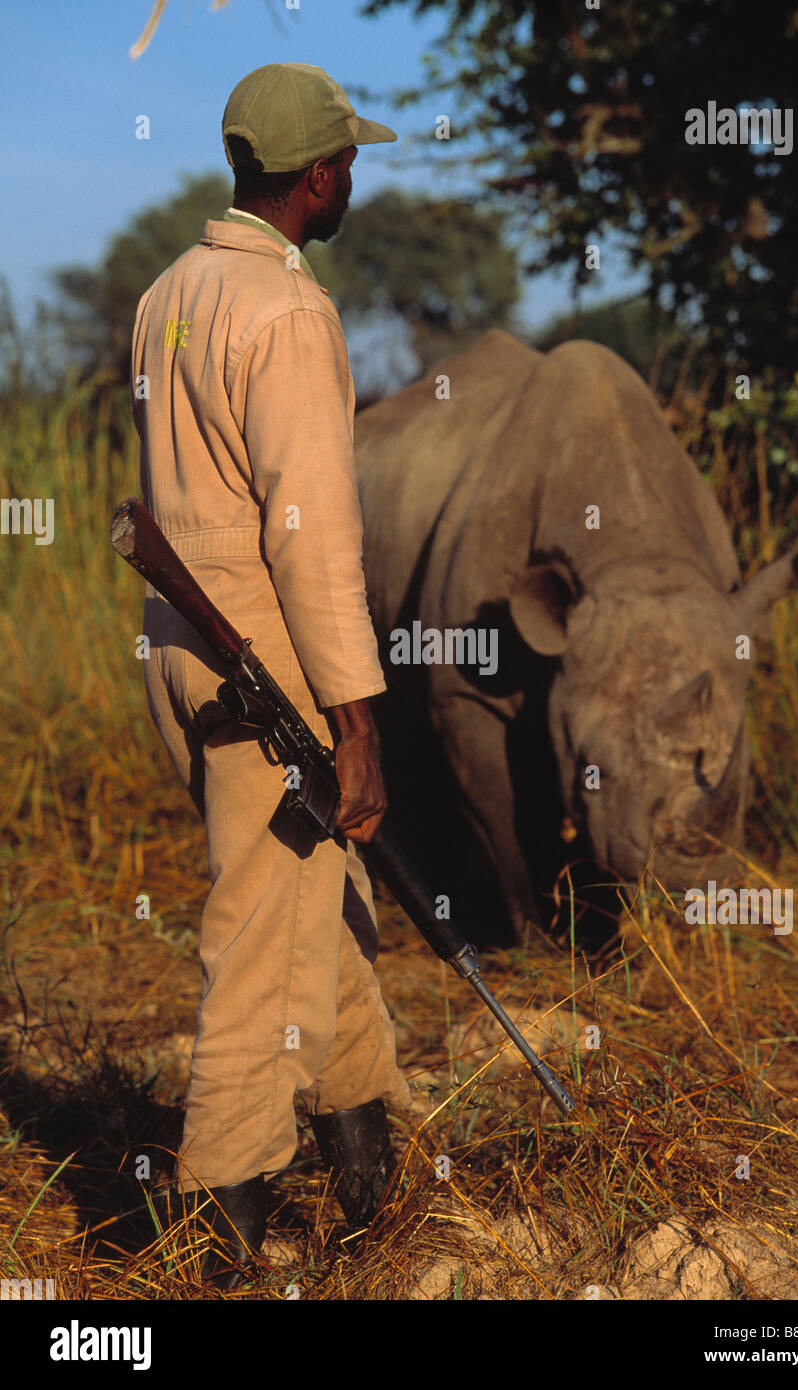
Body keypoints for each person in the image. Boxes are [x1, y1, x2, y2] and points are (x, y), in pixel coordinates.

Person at [130, 62, 413, 1287]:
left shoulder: (170, 294)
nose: (352, 176)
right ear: (315, 178)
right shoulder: (289, 312)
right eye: (346, 161)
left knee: (317, 899)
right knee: (257, 938)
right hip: (269, 677)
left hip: (182, 653)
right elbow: (314, 538)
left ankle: (365, 1151)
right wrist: (355, 724)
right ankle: (213, 1214)